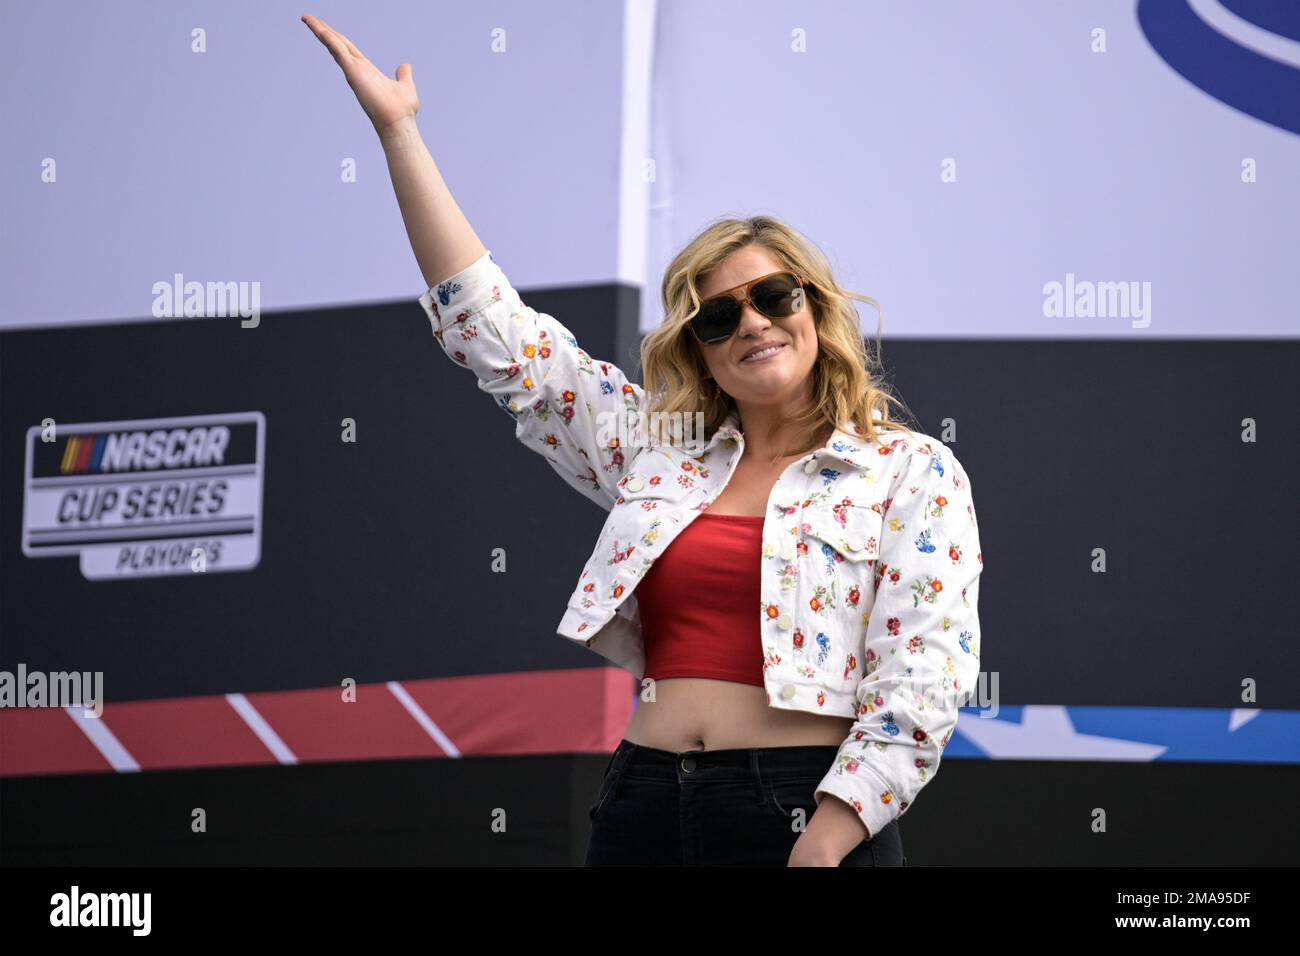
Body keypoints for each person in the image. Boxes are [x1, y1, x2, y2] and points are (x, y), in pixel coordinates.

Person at [302, 14, 983, 867]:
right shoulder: (661, 453)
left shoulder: (909, 471)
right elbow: (499, 335)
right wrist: (400, 133)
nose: (753, 323)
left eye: (775, 295)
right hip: (643, 805)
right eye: (717, 316)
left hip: (807, 812)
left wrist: (825, 842)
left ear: (817, 308)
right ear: (694, 345)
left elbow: (921, 683)